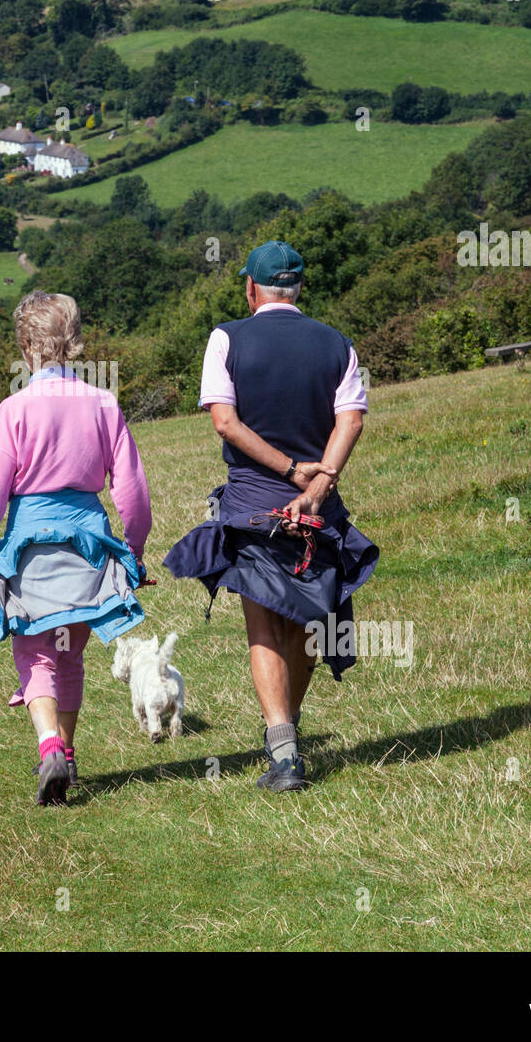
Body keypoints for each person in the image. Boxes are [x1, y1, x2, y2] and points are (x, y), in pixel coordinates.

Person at [163, 241, 378, 793]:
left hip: (253, 505)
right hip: (319, 507)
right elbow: (350, 421)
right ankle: (287, 738)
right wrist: (319, 479)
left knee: (263, 621)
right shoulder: (337, 343)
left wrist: (288, 471)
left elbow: (226, 424)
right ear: (298, 288)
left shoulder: (225, 338)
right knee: (307, 621)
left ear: (252, 288)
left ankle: (283, 752)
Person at [0, 292, 152, 806]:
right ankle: (70, 756)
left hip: (31, 547)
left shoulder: (14, 409)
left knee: (36, 656)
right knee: (70, 654)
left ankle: (49, 745)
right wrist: (135, 549)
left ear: (27, 344)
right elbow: (131, 490)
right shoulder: (104, 403)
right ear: (74, 340)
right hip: (89, 546)